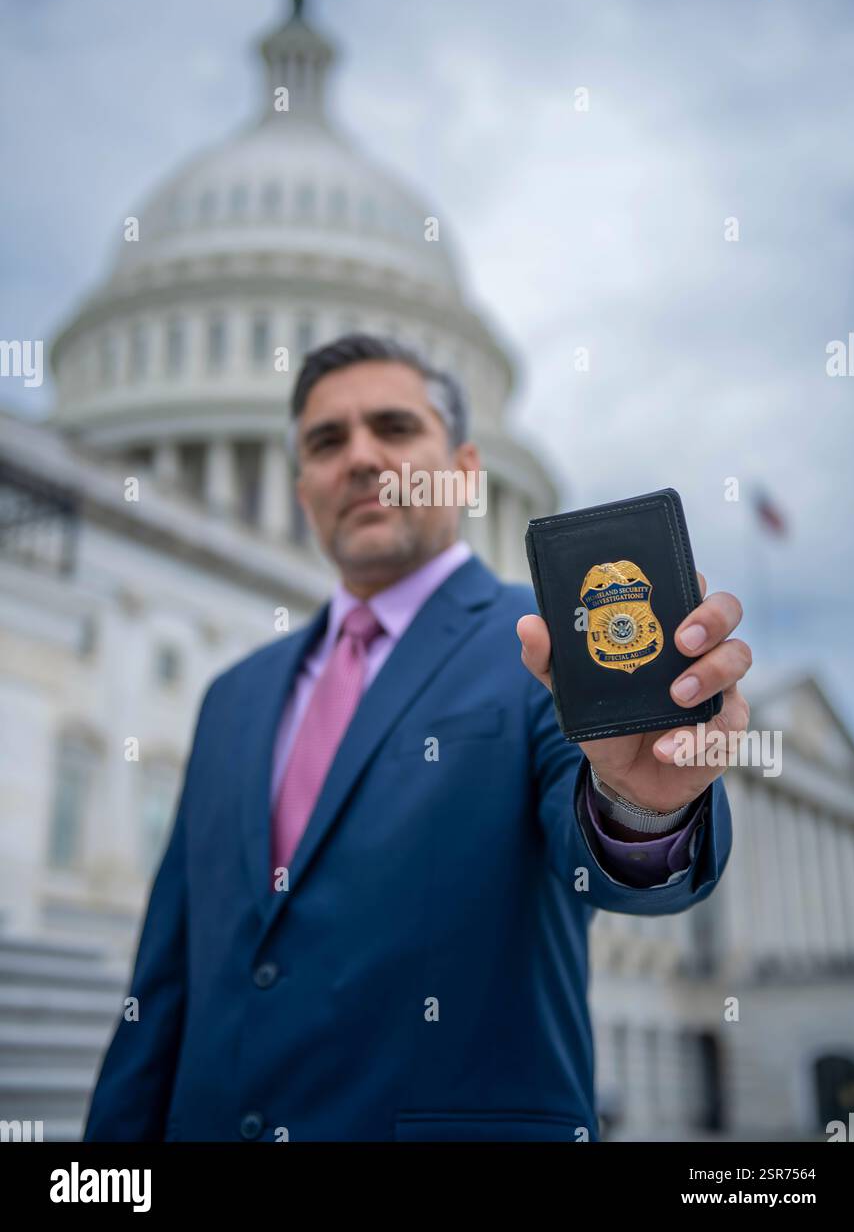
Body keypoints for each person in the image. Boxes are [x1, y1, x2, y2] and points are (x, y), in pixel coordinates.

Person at [83, 333, 750, 1143]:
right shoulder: (235, 696)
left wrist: (641, 809)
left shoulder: (543, 650)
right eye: (327, 442)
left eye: (395, 429)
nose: (360, 458)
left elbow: (599, 866)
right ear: (303, 489)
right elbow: (164, 983)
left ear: (466, 470)